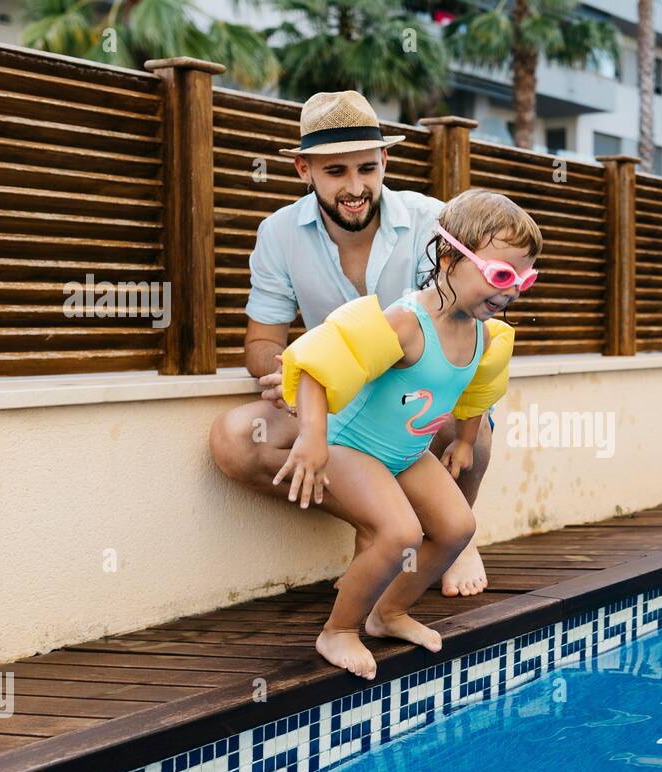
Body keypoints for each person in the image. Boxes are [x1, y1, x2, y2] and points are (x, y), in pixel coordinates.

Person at [208, 90, 496, 596]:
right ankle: (376, 521)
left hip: (413, 399)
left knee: (473, 428)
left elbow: (471, 318)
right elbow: (261, 340)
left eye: (367, 167)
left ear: (385, 160)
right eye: (336, 172)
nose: (356, 187)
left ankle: (455, 533)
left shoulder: (435, 221)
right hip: (338, 401)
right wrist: (287, 376)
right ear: (304, 170)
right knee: (234, 439)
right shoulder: (277, 233)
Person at [275, 189, 541, 678]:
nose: (511, 292)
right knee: (400, 534)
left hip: (407, 451)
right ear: (447, 257)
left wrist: (464, 440)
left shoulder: (483, 335)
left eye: (524, 279)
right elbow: (316, 363)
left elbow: (475, 394)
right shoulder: (406, 323)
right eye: (500, 275)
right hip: (348, 446)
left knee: (457, 529)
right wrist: (311, 437)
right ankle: (338, 630)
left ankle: (388, 613)